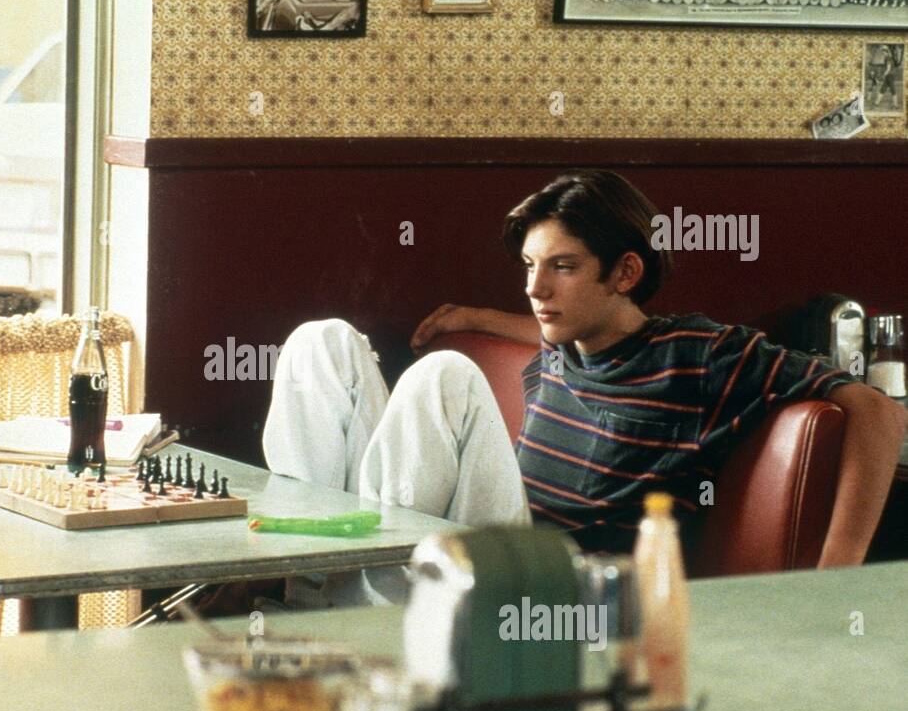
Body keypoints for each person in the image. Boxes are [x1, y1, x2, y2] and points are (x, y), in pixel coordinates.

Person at [264, 170, 906, 607]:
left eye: (562, 268)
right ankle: (312, 589)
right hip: (481, 550)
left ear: (627, 271)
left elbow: (875, 410)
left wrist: (837, 572)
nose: (535, 289)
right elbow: (553, 322)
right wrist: (480, 319)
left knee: (444, 376)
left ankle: (372, 611)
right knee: (324, 343)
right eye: (529, 267)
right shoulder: (566, 342)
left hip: (551, 592)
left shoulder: (703, 355)